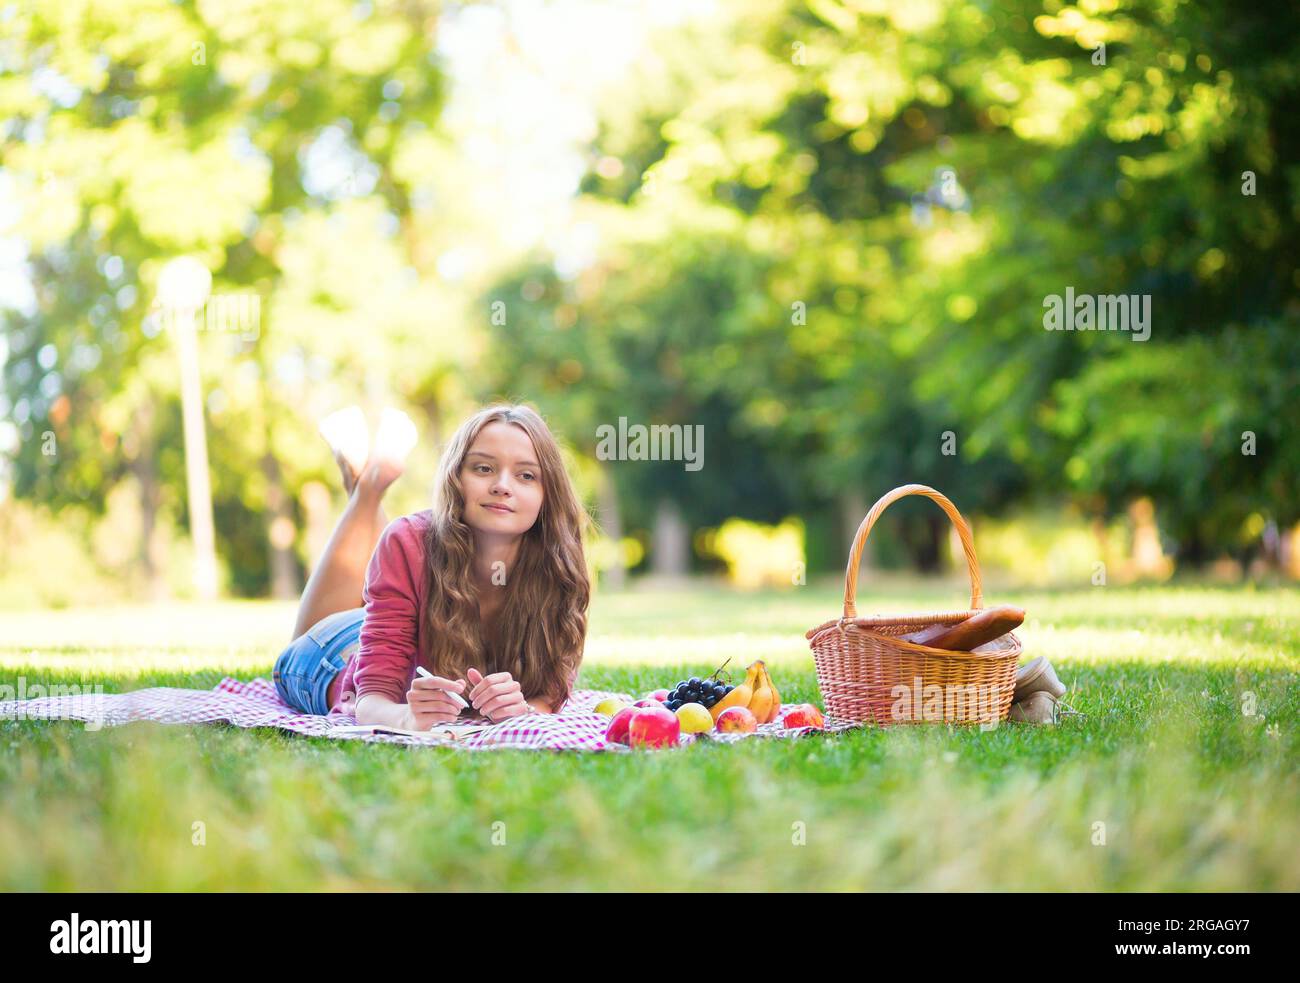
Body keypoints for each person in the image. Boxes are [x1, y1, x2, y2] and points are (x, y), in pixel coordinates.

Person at [272, 403, 591, 730]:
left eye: (526, 475)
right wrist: (407, 716)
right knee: (403, 545)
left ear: (547, 493)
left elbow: (548, 697)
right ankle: (368, 487)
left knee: (403, 548)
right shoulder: (408, 541)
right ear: (456, 478)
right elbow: (372, 699)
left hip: (392, 624)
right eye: (483, 469)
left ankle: (363, 484)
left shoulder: (559, 559)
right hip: (333, 653)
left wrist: (523, 713)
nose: (502, 486)